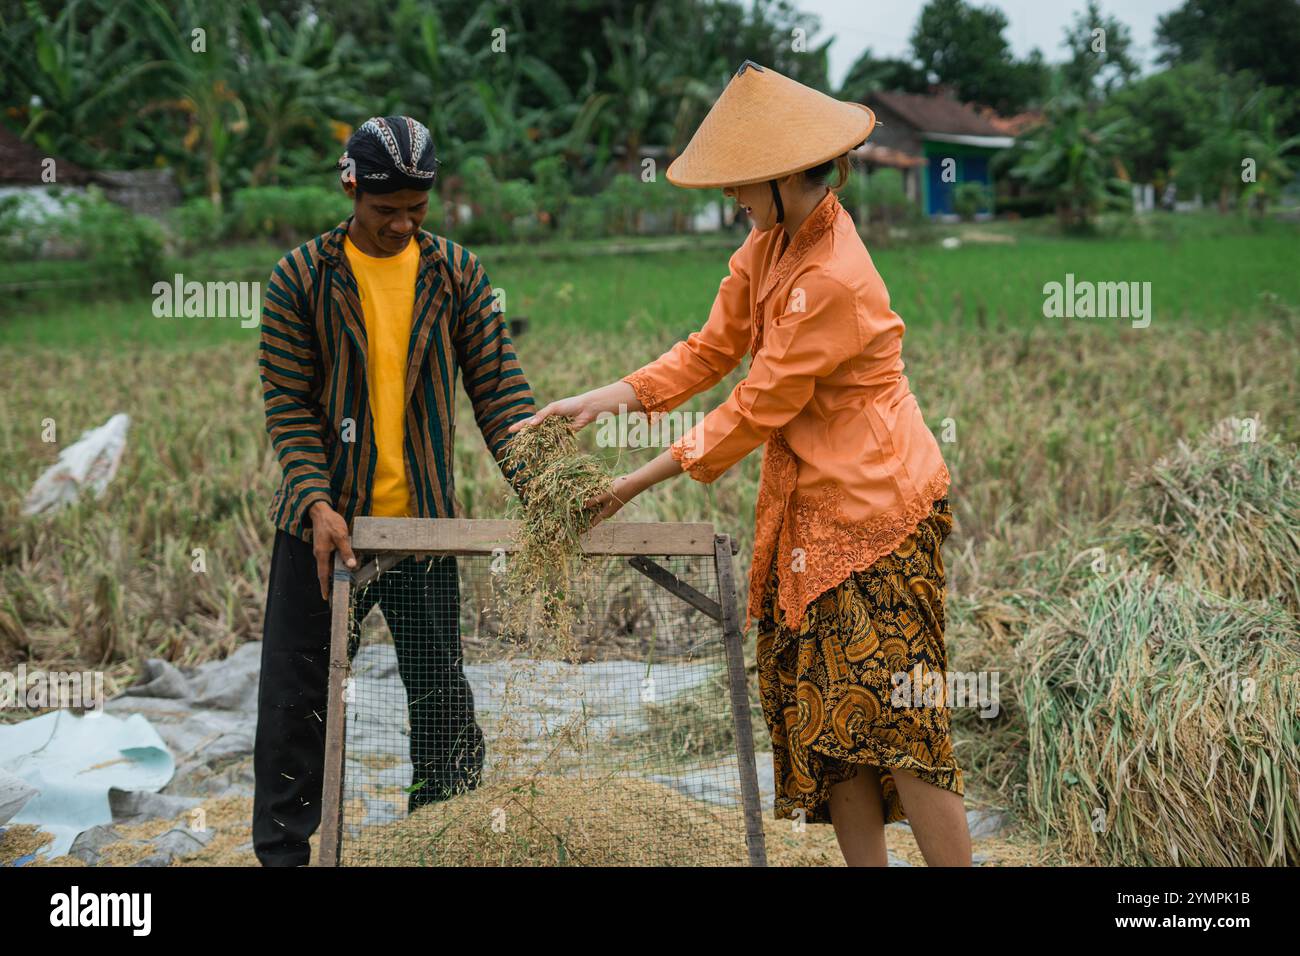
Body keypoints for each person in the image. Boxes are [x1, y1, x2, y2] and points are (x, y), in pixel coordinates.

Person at [513, 62, 971, 866]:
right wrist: (602, 399)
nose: (731, 199)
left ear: (790, 178)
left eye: (742, 183)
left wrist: (622, 488)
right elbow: (709, 350)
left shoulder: (832, 276)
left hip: (880, 516)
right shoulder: (767, 248)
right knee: (832, 725)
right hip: (811, 520)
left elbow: (753, 409)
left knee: (904, 726)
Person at [253, 115, 536, 866]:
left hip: (422, 531)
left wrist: (543, 485)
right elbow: (287, 403)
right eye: (387, 211)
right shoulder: (301, 278)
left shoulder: (456, 273)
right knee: (296, 703)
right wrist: (318, 502)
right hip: (324, 534)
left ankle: (439, 842)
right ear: (351, 187)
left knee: (442, 699)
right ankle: (283, 854)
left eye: (417, 209)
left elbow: (500, 393)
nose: (402, 225)